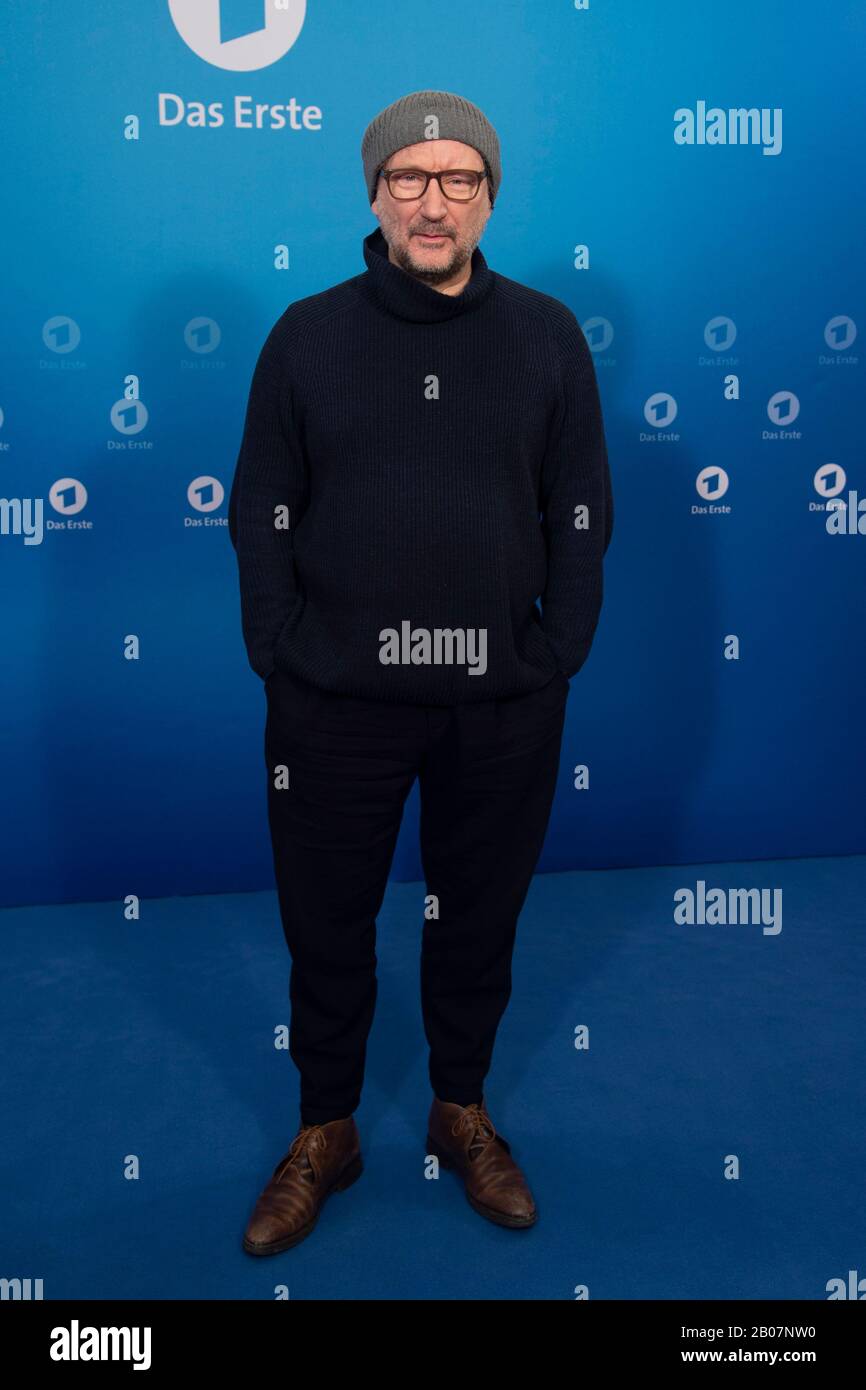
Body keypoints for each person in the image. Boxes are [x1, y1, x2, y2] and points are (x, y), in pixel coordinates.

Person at [228, 90, 613, 1255]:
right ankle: (325, 1131)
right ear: (374, 194)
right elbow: (259, 510)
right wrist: (283, 655)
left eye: (457, 178)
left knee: (478, 921)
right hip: (334, 701)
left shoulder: (547, 334)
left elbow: (582, 512)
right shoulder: (306, 335)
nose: (431, 200)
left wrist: (552, 656)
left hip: (499, 702)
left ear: (490, 196)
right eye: (408, 177)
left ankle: (461, 1112)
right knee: (324, 925)